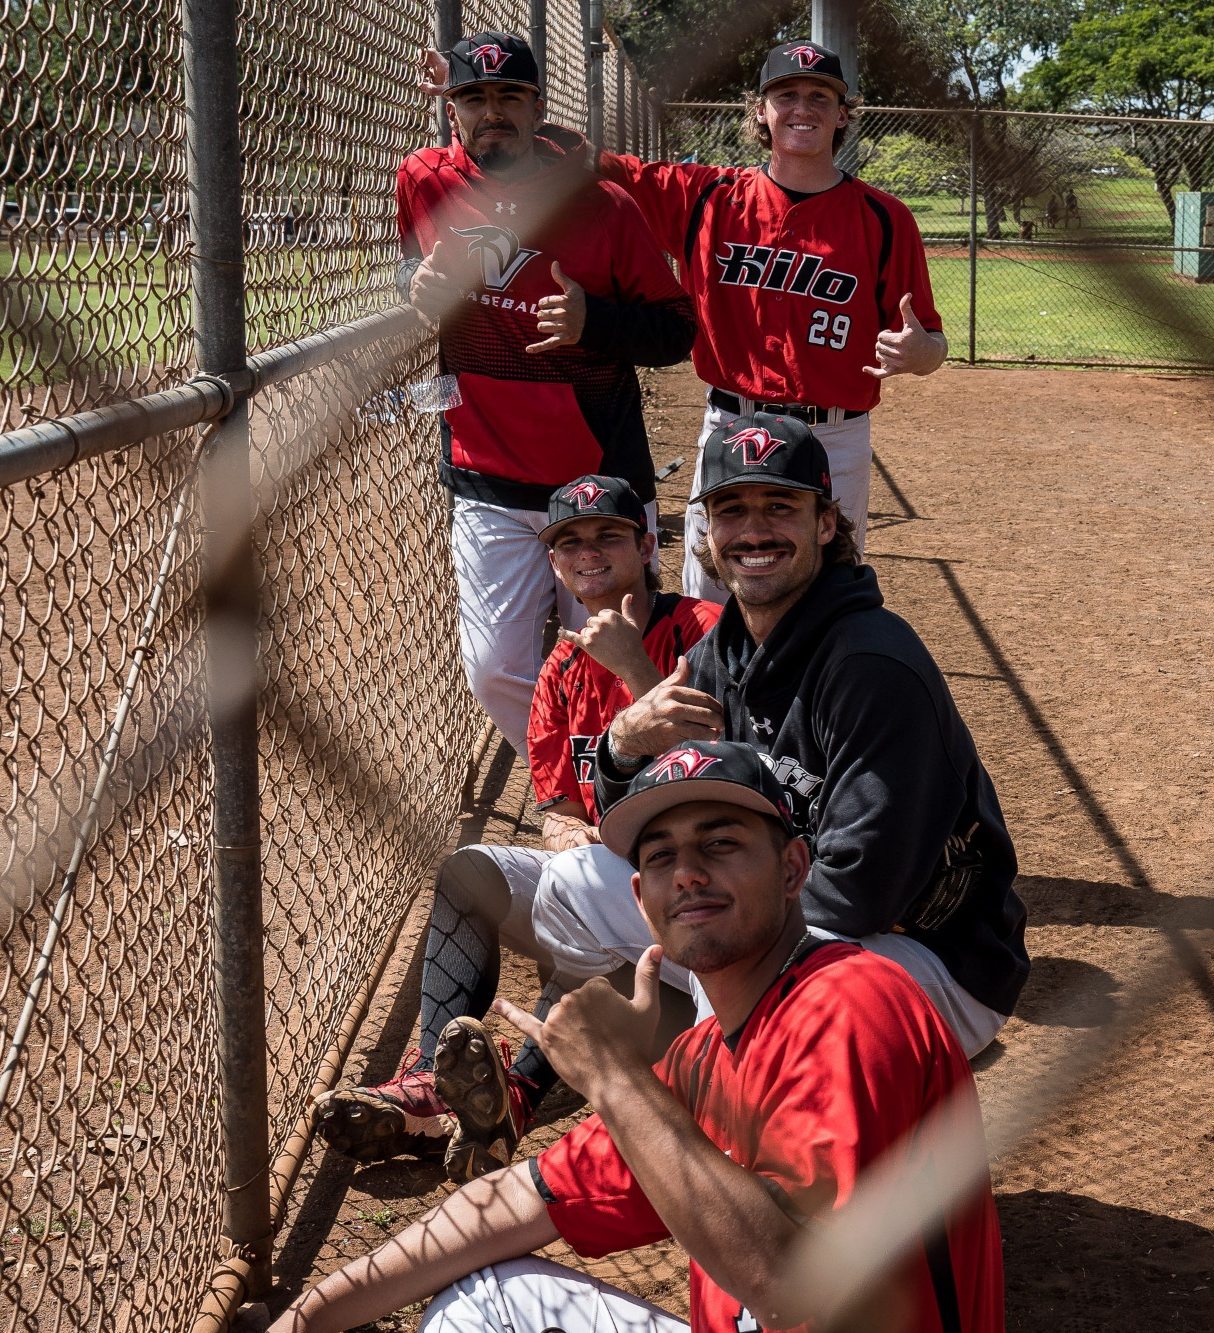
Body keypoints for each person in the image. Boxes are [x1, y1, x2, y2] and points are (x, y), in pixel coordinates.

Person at [269, 740, 1005, 1333]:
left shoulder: (850, 1004)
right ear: (640, 899)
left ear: (793, 870)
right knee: (483, 1300)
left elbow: (793, 1282)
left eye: (721, 843)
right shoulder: (701, 1058)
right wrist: (306, 1319)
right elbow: (514, 1202)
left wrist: (616, 1080)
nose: (687, 872)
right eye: (660, 856)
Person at [417, 40, 949, 603]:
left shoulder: (884, 218)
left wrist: (922, 355)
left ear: (843, 114)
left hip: (834, 433)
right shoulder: (707, 197)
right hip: (731, 421)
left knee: (828, 591)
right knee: (710, 597)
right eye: (785, 94)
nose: (803, 107)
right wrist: (476, 91)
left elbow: (931, 340)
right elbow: (584, 157)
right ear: (760, 112)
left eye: (821, 96)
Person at [569, 413, 1028, 1058]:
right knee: (570, 884)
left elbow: (858, 891)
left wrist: (711, 922)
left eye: (779, 506)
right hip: (776, 909)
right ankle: (526, 1081)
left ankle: (709, 1098)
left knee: (731, 957)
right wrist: (623, 745)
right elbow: (641, 825)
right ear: (708, 530)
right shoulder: (719, 655)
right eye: (730, 510)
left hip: (928, 958)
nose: (753, 531)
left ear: (826, 523)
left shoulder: (871, 666)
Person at [311, 476, 720, 1182]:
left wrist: (632, 665)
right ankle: (433, 1085)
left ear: (647, 544)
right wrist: (567, 835)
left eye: (607, 535)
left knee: (581, 885)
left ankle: (513, 1094)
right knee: (469, 870)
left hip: (703, 914)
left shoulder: (703, 628)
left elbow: (718, 762)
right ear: (554, 563)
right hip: (613, 894)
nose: (587, 552)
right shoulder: (559, 671)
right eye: (568, 542)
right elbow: (560, 812)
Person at [399, 31, 696, 760]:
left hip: (597, 471)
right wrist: (415, 290)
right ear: (451, 111)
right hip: (485, 462)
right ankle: (580, 792)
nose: (491, 112)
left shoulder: (604, 206)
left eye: (509, 97)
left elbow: (676, 331)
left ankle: (621, 796)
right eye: (474, 98)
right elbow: (409, 275)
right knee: (497, 667)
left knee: (615, 651)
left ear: (537, 107)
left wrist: (596, 320)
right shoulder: (423, 180)